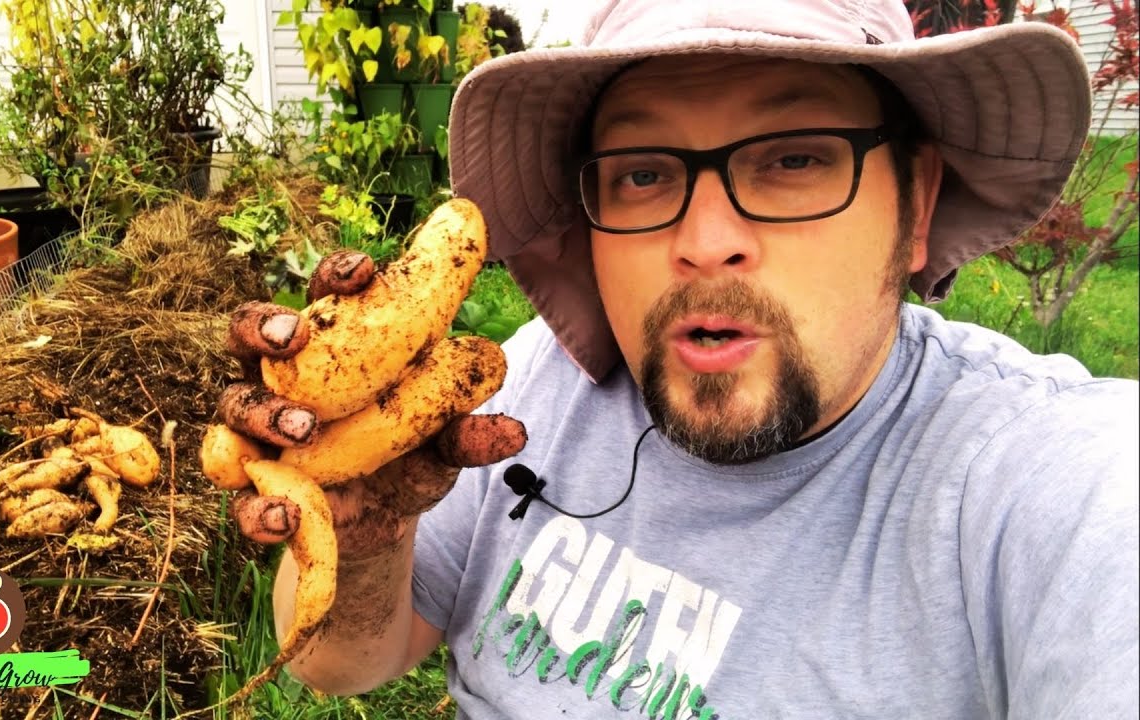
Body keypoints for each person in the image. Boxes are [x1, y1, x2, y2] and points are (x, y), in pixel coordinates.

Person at [218, 0, 1140, 717]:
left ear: (917, 204)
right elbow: (347, 665)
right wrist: (367, 539)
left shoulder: (1050, 487)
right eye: (645, 173)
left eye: (793, 159)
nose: (706, 241)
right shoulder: (534, 382)